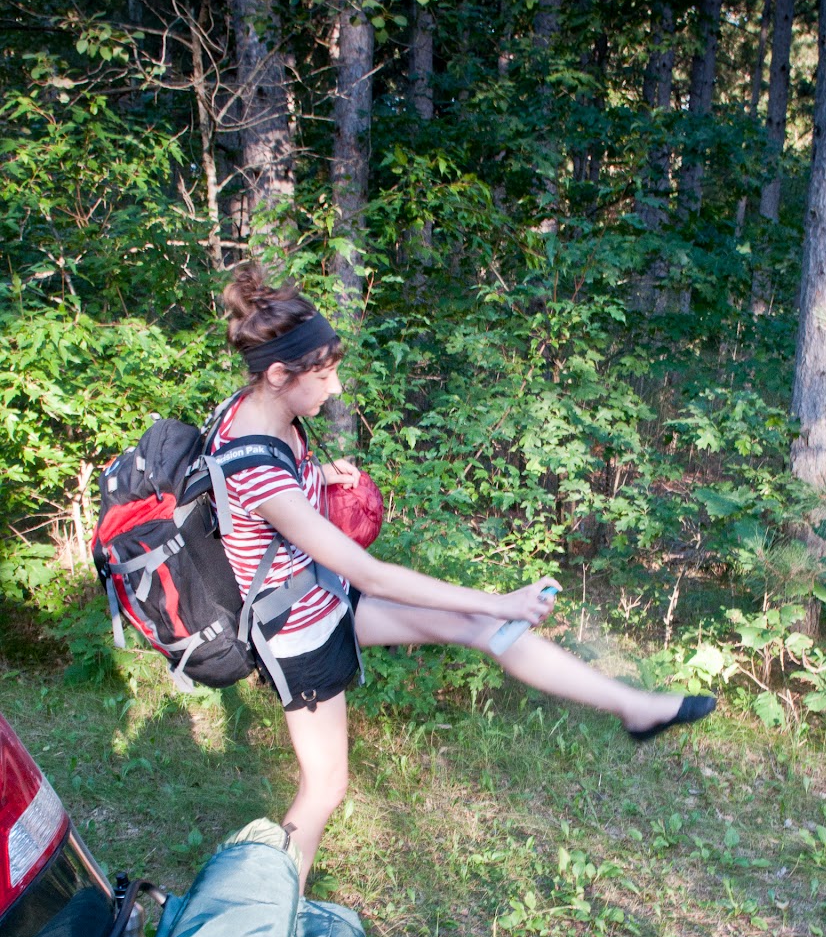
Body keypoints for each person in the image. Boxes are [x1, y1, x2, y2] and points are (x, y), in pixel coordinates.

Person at [217, 264, 715, 890]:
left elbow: (288, 516)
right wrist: (501, 597)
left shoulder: (262, 414)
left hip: (326, 596)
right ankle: (262, 915)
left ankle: (635, 707)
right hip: (300, 631)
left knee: (483, 628)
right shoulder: (253, 465)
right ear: (278, 374)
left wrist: (323, 480)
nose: (336, 387)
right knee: (325, 786)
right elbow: (371, 571)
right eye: (324, 375)